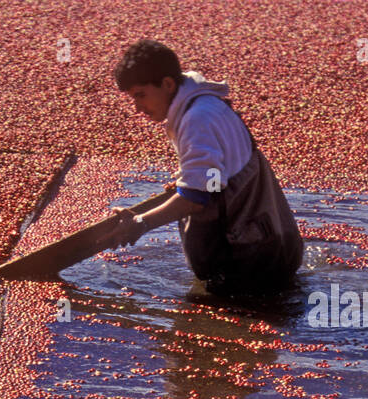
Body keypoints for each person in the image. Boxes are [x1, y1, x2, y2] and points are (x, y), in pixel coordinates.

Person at [112, 40, 303, 294]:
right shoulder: (207, 105)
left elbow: (197, 199)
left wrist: (141, 223)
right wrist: (186, 181)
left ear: (168, 84)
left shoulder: (196, 119)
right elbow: (215, 177)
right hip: (270, 249)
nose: (137, 108)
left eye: (140, 95)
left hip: (248, 265)